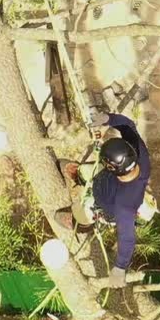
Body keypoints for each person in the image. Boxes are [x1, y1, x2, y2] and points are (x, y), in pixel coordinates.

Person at [56, 111, 152, 289]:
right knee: (89, 172)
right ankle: (80, 176)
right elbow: (128, 126)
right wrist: (109, 119)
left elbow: (127, 238)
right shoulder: (140, 155)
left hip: (104, 205)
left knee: (84, 211)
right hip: (104, 180)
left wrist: (120, 268)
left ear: (112, 167)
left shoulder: (124, 204)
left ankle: (83, 223)